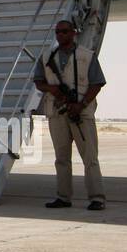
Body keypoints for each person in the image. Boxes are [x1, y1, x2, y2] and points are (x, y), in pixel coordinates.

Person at [33, 19, 107, 210]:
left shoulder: (87, 56)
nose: (61, 35)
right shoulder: (47, 56)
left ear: (73, 33)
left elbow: (97, 83)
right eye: (58, 32)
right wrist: (53, 89)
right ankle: (63, 197)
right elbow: (38, 81)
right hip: (57, 112)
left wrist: (81, 105)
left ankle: (97, 198)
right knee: (61, 158)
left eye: (65, 31)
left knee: (90, 157)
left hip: (81, 113)